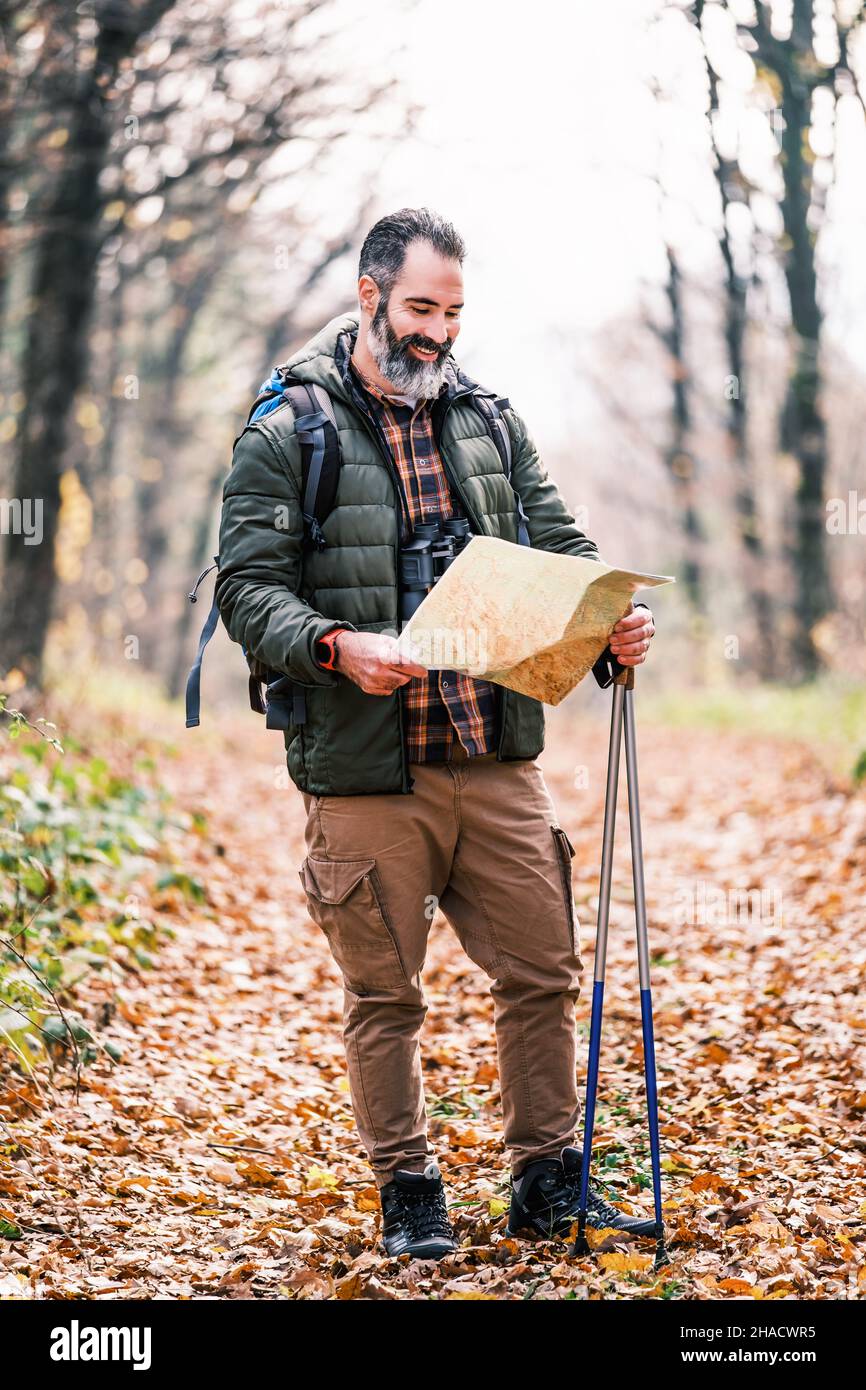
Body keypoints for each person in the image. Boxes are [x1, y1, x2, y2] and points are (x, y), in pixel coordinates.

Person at [215, 207, 657, 1260]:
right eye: (419, 307)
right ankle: (408, 1192)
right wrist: (331, 645)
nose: (437, 331)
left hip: (491, 755)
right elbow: (244, 588)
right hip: (367, 771)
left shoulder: (489, 423)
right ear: (369, 293)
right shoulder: (289, 430)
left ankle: (545, 1182)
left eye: (452, 312)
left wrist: (612, 624)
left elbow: (557, 548)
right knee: (384, 995)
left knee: (543, 974)